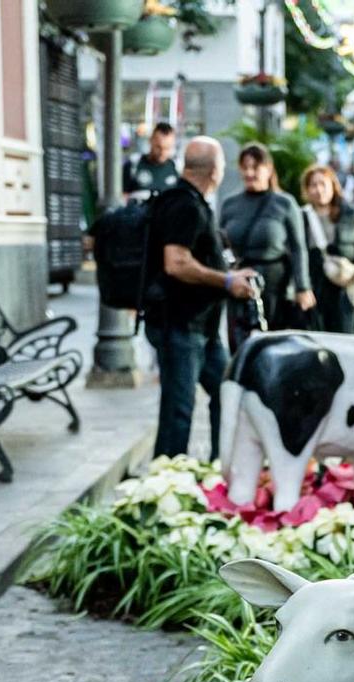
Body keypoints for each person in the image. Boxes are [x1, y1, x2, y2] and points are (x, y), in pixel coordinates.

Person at [142, 137, 259, 461]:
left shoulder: (191, 201)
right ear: (214, 169)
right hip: (179, 324)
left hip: (202, 328)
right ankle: (167, 480)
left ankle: (222, 466)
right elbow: (175, 262)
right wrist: (225, 280)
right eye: (222, 164)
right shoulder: (183, 204)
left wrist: (230, 272)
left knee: (226, 392)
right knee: (179, 409)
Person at [222, 144, 313, 351]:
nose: (250, 173)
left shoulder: (284, 203)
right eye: (245, 167)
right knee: (240, 344)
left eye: (255, 167)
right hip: (240, 281)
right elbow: (221, 244)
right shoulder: (230, 204)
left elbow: (299, 248)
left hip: (274, 284)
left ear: (268, 169)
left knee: (273, 343)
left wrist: (302, 286)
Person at [300, 163, 354, 335]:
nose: (319, 190)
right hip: (317, 289)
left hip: (346, 289)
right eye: (313, 185)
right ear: (307, 189)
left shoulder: (349, 216)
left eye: (323, 184)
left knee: (348, 335)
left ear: (333, 186)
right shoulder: (302, 217)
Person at [127, 121, 178, 196]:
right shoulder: (133, 165)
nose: (162, 152)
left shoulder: (176, 168)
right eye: (158, 147)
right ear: (151, 141)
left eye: (167, 148)